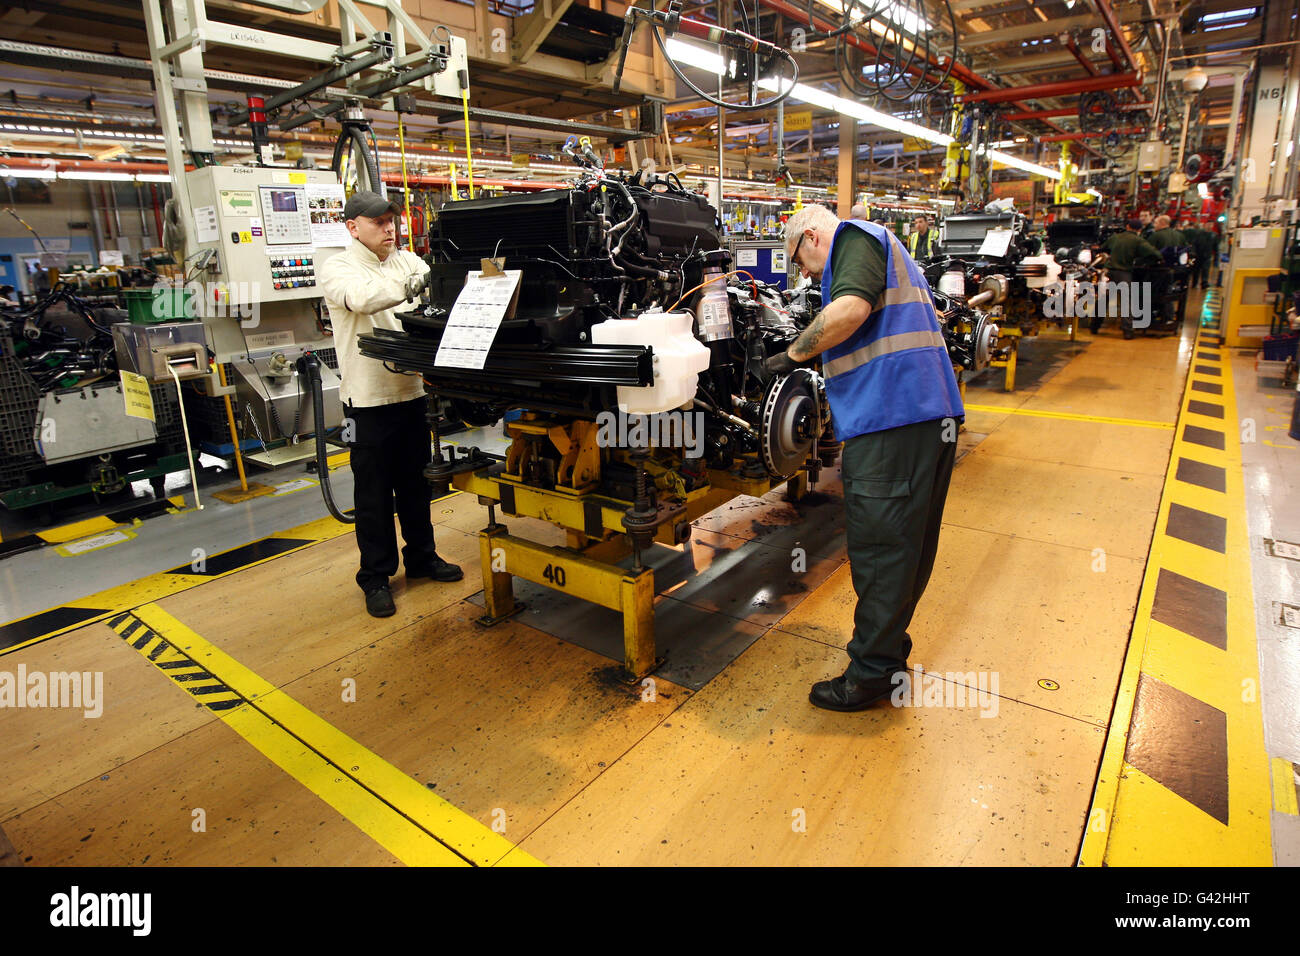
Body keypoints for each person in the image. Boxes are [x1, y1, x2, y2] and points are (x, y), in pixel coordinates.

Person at [762, 204, 963, 712]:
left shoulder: (853, 237)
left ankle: (871, 674)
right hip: (923, 414)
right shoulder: (887, 246)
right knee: (906, 546)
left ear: (811, 236)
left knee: (880, 547)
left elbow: (849, 311)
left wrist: (790, 355)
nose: (806, 274)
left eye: (800, 262)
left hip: (893, 417)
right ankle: (889, 654)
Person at [318, 191, 463, 618]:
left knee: (416, 486)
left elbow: (435, 292)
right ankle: (376, 576)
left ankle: (422, 557)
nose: (389, 229)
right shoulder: (337, 268)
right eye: (378, 222)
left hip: (413, 394)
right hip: (366, 403)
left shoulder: (408, 261)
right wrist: (418, 283)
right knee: (374, 495)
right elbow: (363, 299)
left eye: (392, 222)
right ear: (352, 227)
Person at [1093, 217, 1161, 338]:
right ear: (1139, 229)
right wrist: (1141, 260)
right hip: (1124, 273)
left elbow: (1102, 248)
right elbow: (1156, 254)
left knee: (1104, 299)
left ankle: (1095, 327)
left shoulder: (1116, 237)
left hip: (1108, 272)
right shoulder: (1138, 240)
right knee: (1126, 302)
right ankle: (1127, 332)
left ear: (1128, 226)